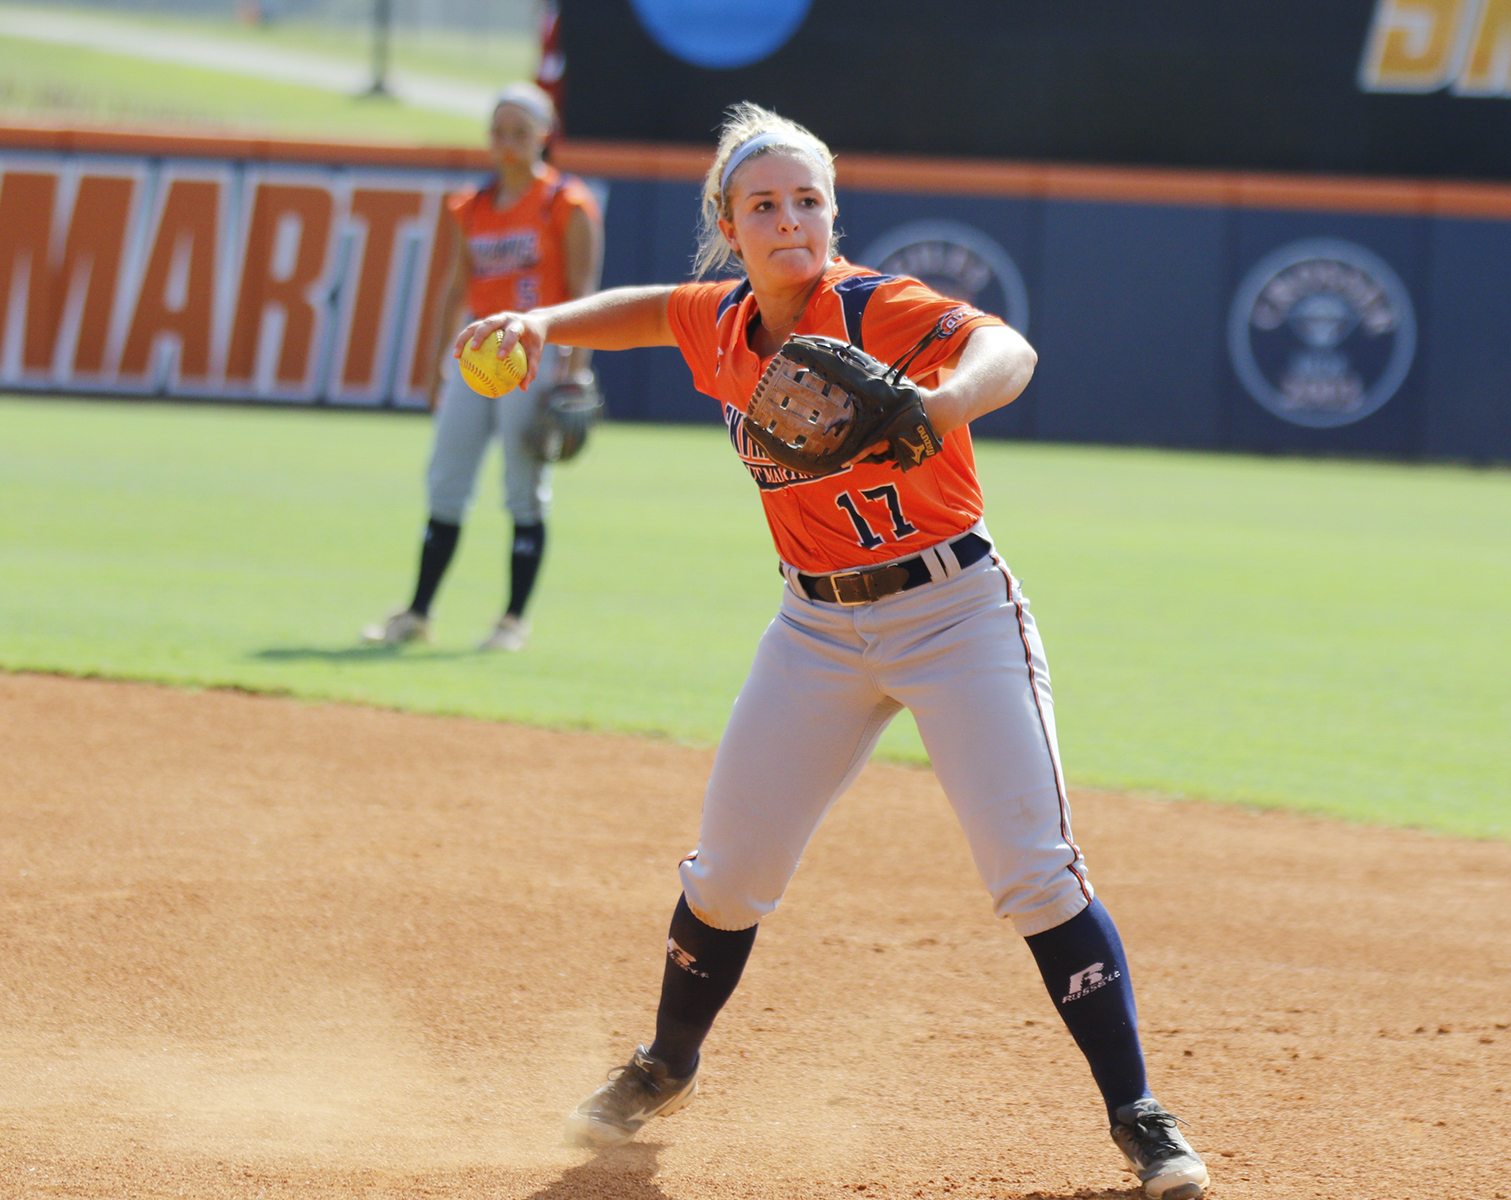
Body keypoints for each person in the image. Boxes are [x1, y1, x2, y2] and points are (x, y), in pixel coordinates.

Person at [455, 102, 1209, 1200]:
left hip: (953, 613)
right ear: (728, 220)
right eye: (763, 204)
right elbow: (651, 312)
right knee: (728, 875)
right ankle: (666, 1064)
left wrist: (940, 402)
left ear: (832, 214)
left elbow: (1011, 349)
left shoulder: (876, 307)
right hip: (815, 627)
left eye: (808, 200)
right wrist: (539, 324)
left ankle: (1141, 1114)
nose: (789, 218)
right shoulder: (720, 321)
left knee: (1034, 872)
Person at [362, 82, 601, 653]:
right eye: (499, 130)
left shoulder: (565, 202)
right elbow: (453, 289)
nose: (507, 142)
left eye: (520, 131)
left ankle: (512, 621)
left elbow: (582, 289)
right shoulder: (469, 205)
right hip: (475, 362)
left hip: (535, 360)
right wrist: (434, 367)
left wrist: (574, 369)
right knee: (446, 482)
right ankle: (417, 613)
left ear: (545, 135)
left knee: (523, 489)